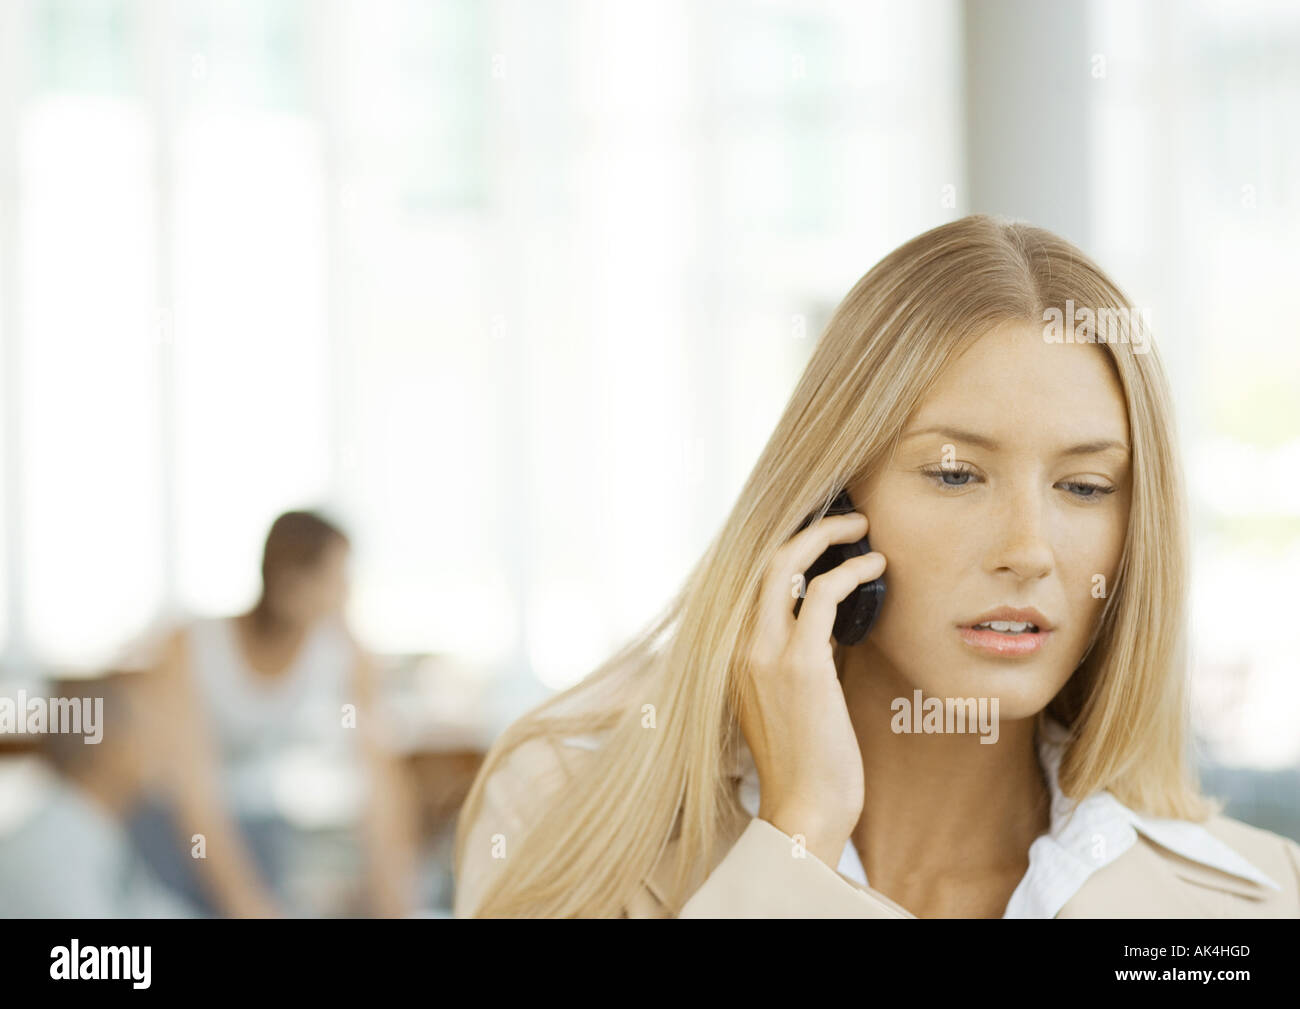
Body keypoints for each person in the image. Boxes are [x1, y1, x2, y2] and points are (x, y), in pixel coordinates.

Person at [452, 214, 1300, 918]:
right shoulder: (566, 814)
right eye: (956, 474)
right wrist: (798, 836)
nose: (1029, 550)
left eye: (1084, 486)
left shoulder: (1246, 902)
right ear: (829, 505)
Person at [142, 509, 418, 917]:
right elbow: (193, 791)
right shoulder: (190, 648)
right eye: (336, 581)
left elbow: (378, 778)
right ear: (290, 583)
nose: (345, 596)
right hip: (172, 833)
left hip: (259, 832)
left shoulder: (343, 651)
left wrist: (394, 890)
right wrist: (246, 904)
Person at [0, 678, 201, 918]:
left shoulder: (100, 836)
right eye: (146, 730)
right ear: (111, 746)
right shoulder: (49, 853)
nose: (163, 749)